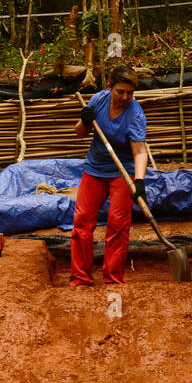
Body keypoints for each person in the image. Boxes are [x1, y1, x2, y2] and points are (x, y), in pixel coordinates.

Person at [70, 66, 147, 286]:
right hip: (95, 168)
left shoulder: (135, 114)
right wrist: (84, 121)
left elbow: (139, 151)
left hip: (123, 171)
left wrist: (139, 181)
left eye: (130, 93)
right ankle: (80, 278)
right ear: (109, 87)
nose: (125, 98)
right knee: (82, 221)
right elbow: (80, 133)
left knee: (117, 224)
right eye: (120, 91)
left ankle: (113, 279)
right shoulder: (98, 100)